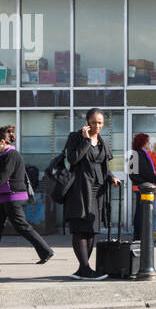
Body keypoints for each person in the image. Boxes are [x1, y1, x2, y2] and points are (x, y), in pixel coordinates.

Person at [61, 108, 121, 279]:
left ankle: (83, 270)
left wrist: (112, 177)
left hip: (97, 191)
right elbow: (73, 159)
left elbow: (103, 167)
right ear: (87, 122)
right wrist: (86, 141)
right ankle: (85, 268)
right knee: (80, 228)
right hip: (79, 190)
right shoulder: (76, 138)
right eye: (94, 122)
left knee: (92, 230)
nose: (97, 126)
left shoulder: (103, 142)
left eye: (100, 122)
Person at [0, 126, 54, 265]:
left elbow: (3, 177)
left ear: (2, 142)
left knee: (21, 226)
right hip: (5, 196)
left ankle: (46, 250)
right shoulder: (4, 155)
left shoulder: (11, 155)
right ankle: (45, 251)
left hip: (13, 197)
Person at [129, 133, 156, 241]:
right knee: (142, 212)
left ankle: (138, 234)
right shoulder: (140, 154)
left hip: (140, 186)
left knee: (140, 211)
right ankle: (140, 235)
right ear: (143, 142)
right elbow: (146, 172)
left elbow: (132, 174)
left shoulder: (136, 154)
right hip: (143, 188)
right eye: (147, 141)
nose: (149, 143)